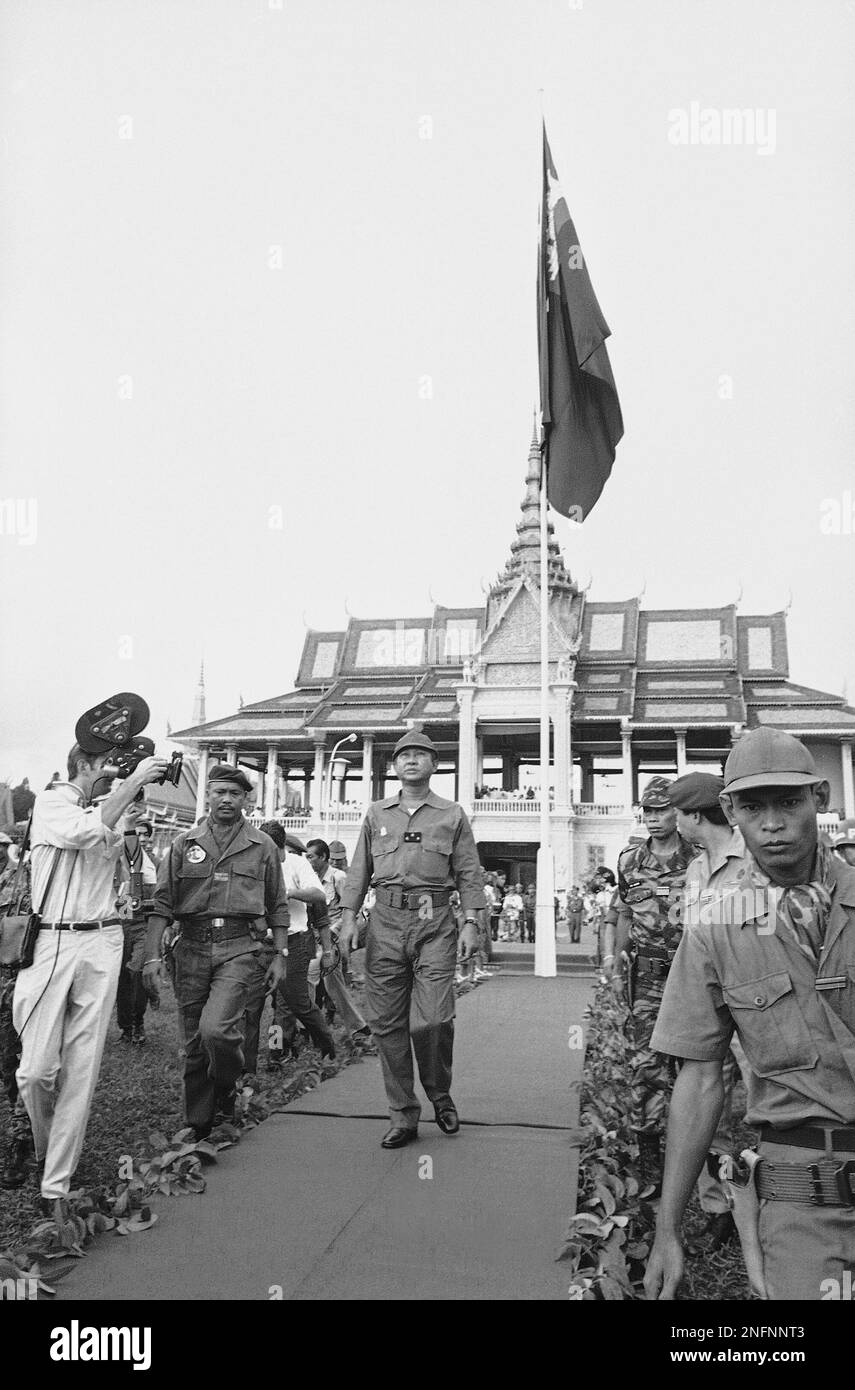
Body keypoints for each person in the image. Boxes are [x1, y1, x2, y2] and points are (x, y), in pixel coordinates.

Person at [645, 728, 855, 1301]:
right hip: (808, 1192)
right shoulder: (715, 930)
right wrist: (668, 1230)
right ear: (731, 810)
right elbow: (700, 1076)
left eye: (789, 802)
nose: (773, 822)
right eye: (754, 806)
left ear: (821, 797)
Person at [13, 738, 169, 1219]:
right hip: (50, 941)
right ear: (81, 765)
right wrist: (138, 779)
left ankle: (54, 1185)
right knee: (35, 1071)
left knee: (82, 1070)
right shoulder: (53, 801)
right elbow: (88, 831)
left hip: (103, 940)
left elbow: (121, 828)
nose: (114, 773)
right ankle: (42, 1148)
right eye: (107, 765)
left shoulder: (114, 805)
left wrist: (132, 789)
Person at [338, 730, 485, 1148]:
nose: (412, 760)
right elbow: (358, 871)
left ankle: (439, 1092)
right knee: (387, 1024)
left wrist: (472, 923)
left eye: (421, 754)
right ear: (395, 766)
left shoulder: (452, 814)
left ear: (434, 764)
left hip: (435, 921)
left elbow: (470, 873)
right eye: (404, 755)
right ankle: (402, 1114)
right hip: (384, 921)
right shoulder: (376, 813)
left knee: (434, 1018)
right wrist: (349, 920)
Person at [143, 765, 289, 1139]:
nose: (227, 799)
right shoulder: (183, 844)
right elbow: (161, 903)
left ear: (246, 799)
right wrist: (152, 957)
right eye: (219, 792)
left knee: (217, 1031)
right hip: (190, 947)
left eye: (235, 794)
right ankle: (201, 1121)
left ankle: (227, 1079)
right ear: (207, 795)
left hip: (240, 948)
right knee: (193, 1041)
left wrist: (280, 953)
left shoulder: (263, 846)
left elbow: (277, 904)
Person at [668, 771, 749, 1250]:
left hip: (757, 1005)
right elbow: (689, 939)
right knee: (705, 1109)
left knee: (767, 1105)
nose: (674, 823)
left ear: (695, 816)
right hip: (710, 1007)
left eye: (677, 813)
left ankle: (779, 1205)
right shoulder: (696, 871)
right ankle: (719, 1209)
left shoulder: (754, 858)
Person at [606, 778, 694, 1190]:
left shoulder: (700, 858)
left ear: (677, 812)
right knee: (647, 1066)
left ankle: (706, 1158)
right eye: (648, 811)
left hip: (693, 976)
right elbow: (622, 913)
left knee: (701, 1067)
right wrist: (615, 958)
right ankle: (651, 1159)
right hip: (646, 978)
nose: (654, 818)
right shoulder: (629, 860)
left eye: (662, 810)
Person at [305, 837, 370, 1038]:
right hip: (314, 939)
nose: (307, 861)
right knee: (331, 983)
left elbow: (352, 910)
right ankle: (356, 1027)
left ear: (323, 857)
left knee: (316, 974)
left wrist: (334, 930)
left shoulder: (338, 877)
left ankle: (312, 1027)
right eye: (306, 856)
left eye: (311, 856)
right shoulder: (309, 878)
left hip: (333, 938)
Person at [0, 833, 35, 1188]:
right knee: (6, 1066)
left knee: (19, 1066)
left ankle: (21, 1141)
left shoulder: (26, 883)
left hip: (17, 988)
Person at [115, 811, 158, 1045]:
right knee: (122, 976)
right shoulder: (121, 858)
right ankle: (125, 1027)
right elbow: (121, 898)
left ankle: (138, 1022)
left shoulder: (154, 864)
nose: (141, 838)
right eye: (136, 834)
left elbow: (160, 898)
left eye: (145, 835)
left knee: (136, 973)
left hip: (145, 925)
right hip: (124, 923)